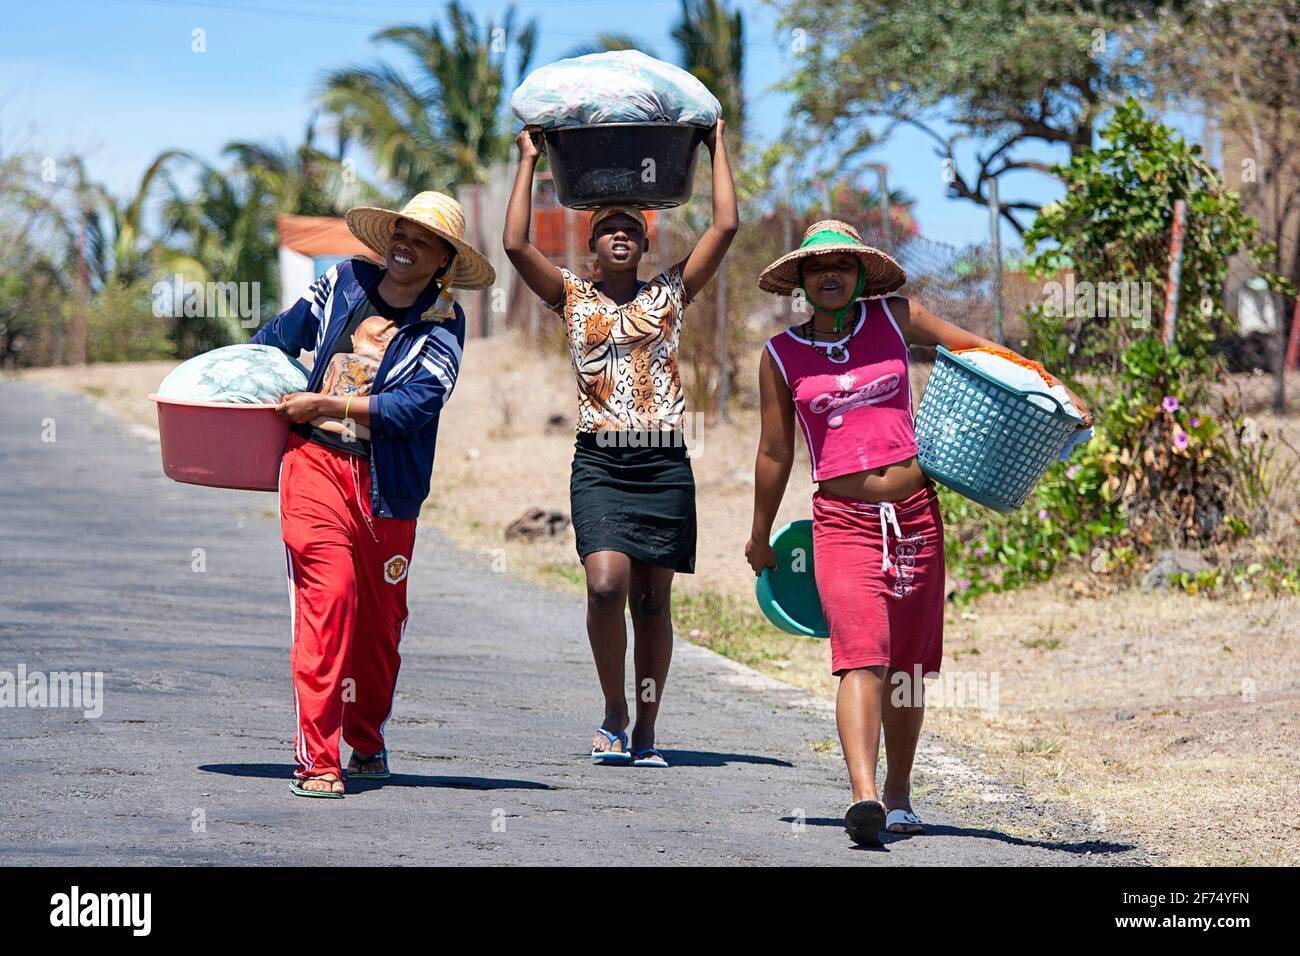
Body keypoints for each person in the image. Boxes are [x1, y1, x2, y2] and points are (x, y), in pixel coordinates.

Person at [745, 220, 1091, 844]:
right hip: (841, 523)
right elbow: (774, 454)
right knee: (862, 656)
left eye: (842, 266)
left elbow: (977, 349)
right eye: (817, 267)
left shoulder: (896, 319)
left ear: (858, 276)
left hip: (915, 518)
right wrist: (758, 534)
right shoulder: (779, 355)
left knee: (906, 667)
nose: (830, 276)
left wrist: (1050, 385)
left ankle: (901, 793)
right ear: (800, 280)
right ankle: (864, 797)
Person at [503, 120, 737, 767]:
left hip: (663, 461)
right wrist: (530, 160)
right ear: (592, 244)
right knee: (606, 585)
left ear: (645, 241)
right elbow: (515, 243)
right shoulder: (571, 298)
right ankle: (613, 709)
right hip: (602, 461)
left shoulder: (671, 294)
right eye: (610, 229)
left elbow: (726, 229)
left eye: (633, 229)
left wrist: (718, 148)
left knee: (654, 604)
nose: (622, 236)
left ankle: (648, 731)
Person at [252, 192, 495, 798]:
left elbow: (417, 404)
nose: (404, 243)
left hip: (389, 491)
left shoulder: (444, 322)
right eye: (400, 231)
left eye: (422, 239)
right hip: (313, 466)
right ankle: (317, 758)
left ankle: (366, 738)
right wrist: (244, 387)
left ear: (443, 260)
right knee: (327, 603)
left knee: (380, 629)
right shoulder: (344, 280)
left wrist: (330, 402)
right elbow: (277, 337)